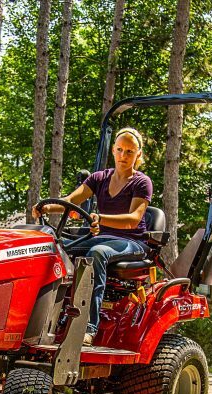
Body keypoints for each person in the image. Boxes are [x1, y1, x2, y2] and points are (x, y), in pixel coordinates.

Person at [33, 127, 152, 346]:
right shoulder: (100, 178)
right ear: (113, 150)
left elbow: (133, 219)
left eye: (129, 151)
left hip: (132, 242)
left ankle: (89, 327)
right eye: (120, 149)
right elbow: (71, 201)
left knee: (97, 253)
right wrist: (46, 207)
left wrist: (101, 219)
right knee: (56, 247)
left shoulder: (141, 182)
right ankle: (48, 318)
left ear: (138, 154)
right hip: (103, 237)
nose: (123, 155)